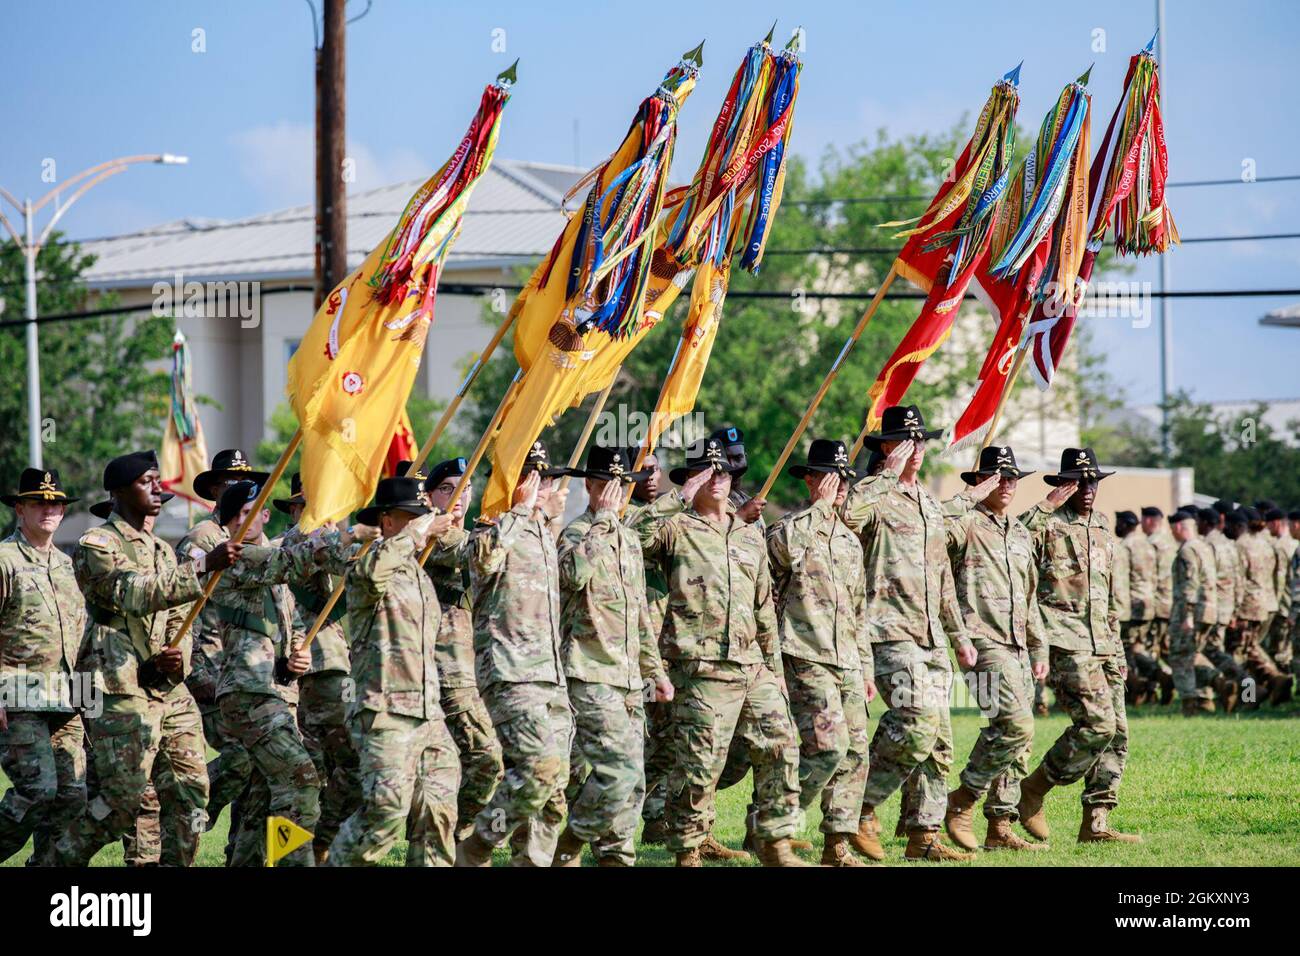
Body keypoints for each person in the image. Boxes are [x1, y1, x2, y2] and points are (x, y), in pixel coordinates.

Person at [53, 451, 240, 866]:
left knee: (193, 791)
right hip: (115, 684)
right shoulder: (97, 545)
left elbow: (179, 619)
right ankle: (55, 859)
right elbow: (131, 593)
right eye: (146, 481)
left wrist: (177, 659)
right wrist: (203, 566)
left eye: (158, 479)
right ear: (118, 492)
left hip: (165, 687)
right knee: (124, 798)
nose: (158, 487)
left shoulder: (160, 548)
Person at [632, 437, 804, 867]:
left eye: (722, 472)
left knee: (781, 745)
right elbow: (633, 536)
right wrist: (679, 497)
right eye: (706, 472)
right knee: (699, 763)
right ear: (692, 478)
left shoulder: (748, 534)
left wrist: (774, 665)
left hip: (753, 665)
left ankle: (775, 842)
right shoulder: (675, 528)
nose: (716, 480)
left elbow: (764, 604)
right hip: (700, 665)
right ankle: (689, 850)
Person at [840, 405, 977, 862]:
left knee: (939, 742)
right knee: (915, 722)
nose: (914, 450)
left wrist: (958, 635)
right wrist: (885, 474)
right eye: (904, 441)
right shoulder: (870, 494)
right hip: (886, 629)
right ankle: (858, 806)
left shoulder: (927, 503)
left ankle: (923, 835)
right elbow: (845, 518)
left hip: (931, 634)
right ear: (885, 447)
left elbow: (941, 577)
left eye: (919, 442)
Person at [208, 480, 348, 866]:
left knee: (262, 799)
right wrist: (349, 536)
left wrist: (295, 656)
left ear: (265, 515)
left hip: (273, 691)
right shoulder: (235, 559)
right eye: (237, 515)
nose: (246, 520)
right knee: (301, 780)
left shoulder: (267, 561)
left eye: (252, 511)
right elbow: (290, 562)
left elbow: (287, 622)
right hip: (248, 692)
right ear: (227, 523)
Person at [327, 476, 461, 866]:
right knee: (384, 815)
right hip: (385, 712)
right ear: (387, 522)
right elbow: (370, 574)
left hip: (428, 714)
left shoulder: (418, 575)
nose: (420, 523)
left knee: (438, 814)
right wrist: (414, 535)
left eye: (422, 517)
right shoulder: (366, 564)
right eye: (410, 516)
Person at [552, 446, 673, 867]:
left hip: (626, 676)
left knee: (633, 779)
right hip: (587, 669)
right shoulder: (575, 533)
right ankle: (569, 842)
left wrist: (654, 671)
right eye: (607, 485)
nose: (615, 495)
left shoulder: (627, 539)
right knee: (615, 771)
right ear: (590, 485)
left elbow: (638, 610)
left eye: (623, 486)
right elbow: (570, 578)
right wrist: (602, 523)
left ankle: (615, 857)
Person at [456, 441, 573, 868]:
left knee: (554, 788)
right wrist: (520, 511)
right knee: (539, 768)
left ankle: (532, 861)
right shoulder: (492, 525)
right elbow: (482, 563)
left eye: (545, 478)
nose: (544, 487)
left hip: (549, 672)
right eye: (534, 478)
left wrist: (546, 515)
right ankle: (480, 843)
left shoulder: (543, 531)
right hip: (509, 670)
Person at [1016, 448, 1139, 844]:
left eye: (1093, 482)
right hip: (1063, 641)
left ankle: (1096, 823)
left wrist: (1118, 652)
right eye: (1079, 482)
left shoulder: (1102, 527)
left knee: (1117, 731)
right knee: (1095, 724)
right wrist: (1047, 503)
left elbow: (1109, 597)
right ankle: (1034, 789)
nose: (1087, 489)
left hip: (1103, 643)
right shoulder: (1046, 524)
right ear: (1064, 484)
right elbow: (1011, 538)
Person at [767, 439, 877, 865]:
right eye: (829, 477)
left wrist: (865, 666)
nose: (839, 486)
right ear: (811, 480)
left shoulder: (850, 542)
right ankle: (775, 819)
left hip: (847, 658)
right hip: (803, 652)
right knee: (827, 749)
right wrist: (818, 508)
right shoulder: (791, 530)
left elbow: (859, 611)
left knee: (854, 753)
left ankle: (837, 844)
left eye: (844, 479)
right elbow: (773, 567)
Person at [940, 446, 1049, 852]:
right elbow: (931, 526)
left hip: (1018, 643)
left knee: (1021, 737)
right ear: (980, 481)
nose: (1006, 485)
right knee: (1015, 725)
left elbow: (1029, 596)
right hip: (980, 639)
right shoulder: (964, 523)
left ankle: (1000, 826)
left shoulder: (1020, 533)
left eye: (1012, 478)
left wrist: (1039, 648)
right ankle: (961, 800)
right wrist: (967, 496)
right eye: (997, 478)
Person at [178, 448, 270, 862]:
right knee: (242, 757)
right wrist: (193, 668)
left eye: (244, 481)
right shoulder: (203, 539)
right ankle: (186, 812)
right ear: (215, 490)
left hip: (253, 671)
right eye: (229, 482)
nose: (237, 488)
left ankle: (243, 853)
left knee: (257, 771)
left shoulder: (262, 539)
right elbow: (181, 605)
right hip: (210, 670)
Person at [273, 473, 362, 864]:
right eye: (316, 506)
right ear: (296, 509)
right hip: (304, 673)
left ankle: (315, 846)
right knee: (299, 778)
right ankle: (289, 853)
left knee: (329, 773)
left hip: (329, 667)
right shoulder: (291, 544)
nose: (327, 516)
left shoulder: (327, 540)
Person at [0, 469, 87, 865]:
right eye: (39, 502)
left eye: (56, 503)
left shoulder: (68, 565)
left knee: (72, 795)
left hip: (69, 697)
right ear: (20, 509)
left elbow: (80, 633)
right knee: (37, 791)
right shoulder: (4, 559)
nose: (49, 509)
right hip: (17, 695)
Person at [416, 458, 504, 844]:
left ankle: (444, 834)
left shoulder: (468, 534)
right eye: (449, 488)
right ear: (430, 495)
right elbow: (478, 556)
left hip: (472, 666)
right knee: (486, 759)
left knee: (451, 763)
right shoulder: (433, 535)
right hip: (441, 667)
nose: (459, 496)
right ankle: (456, 832)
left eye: (466, 487)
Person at [1233, 507, 1291, 705]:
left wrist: (1235, 609)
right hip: (1267, 603)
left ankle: (1252, 694)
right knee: (1252, 648)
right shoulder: (1267, 544)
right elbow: (1277, 577)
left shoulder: (1241, 545)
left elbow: (1239, 581)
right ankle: (1270, 683)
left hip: (1248, 606)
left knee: (1242, 652)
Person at [1167, 510, 1219, 715]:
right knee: (1195, 653)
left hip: (1191, 611)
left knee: (1181, 656)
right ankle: (1207, 699)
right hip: (1208, 609)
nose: (1172, 534)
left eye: (1172, 529)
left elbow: (1191, 583)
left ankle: (1191, 702)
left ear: (1179, 527)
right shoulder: (1204, 547)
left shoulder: (1187, 550)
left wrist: (1187, 616)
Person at [1199, 507, 1245, 711]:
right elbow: (1239, 579)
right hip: (1227, 606)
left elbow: (1206, 581)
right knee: (1222, 651)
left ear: (1206, 523)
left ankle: (1247, 687)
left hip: (1214, 607)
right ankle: (1234, 695)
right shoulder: (1228, 544)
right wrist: (1236, 609)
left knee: (1212, 651)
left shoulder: (1208, 545)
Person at [1143, 506, 1178, 681]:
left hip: (1157, 604)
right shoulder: (1172, 543)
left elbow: (1149, 577)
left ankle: (1156, 685)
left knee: (1151, 648)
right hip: (1171, 603)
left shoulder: (1150, 544)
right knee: (1166, 647)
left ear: (1148, 520)